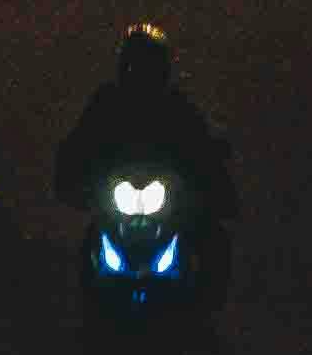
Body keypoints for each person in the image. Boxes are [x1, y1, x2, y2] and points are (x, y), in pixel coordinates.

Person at [52, 19, 235, 224]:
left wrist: (214, 182)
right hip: (115, 207)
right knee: (90, 245)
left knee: (211, 240)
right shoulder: (107, 102)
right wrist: (72, 177)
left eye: (149, 63)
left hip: (169, 209)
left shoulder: (177, 107)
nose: (142, 70)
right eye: (135, 63)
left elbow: (201, 147)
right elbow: (81, 142)